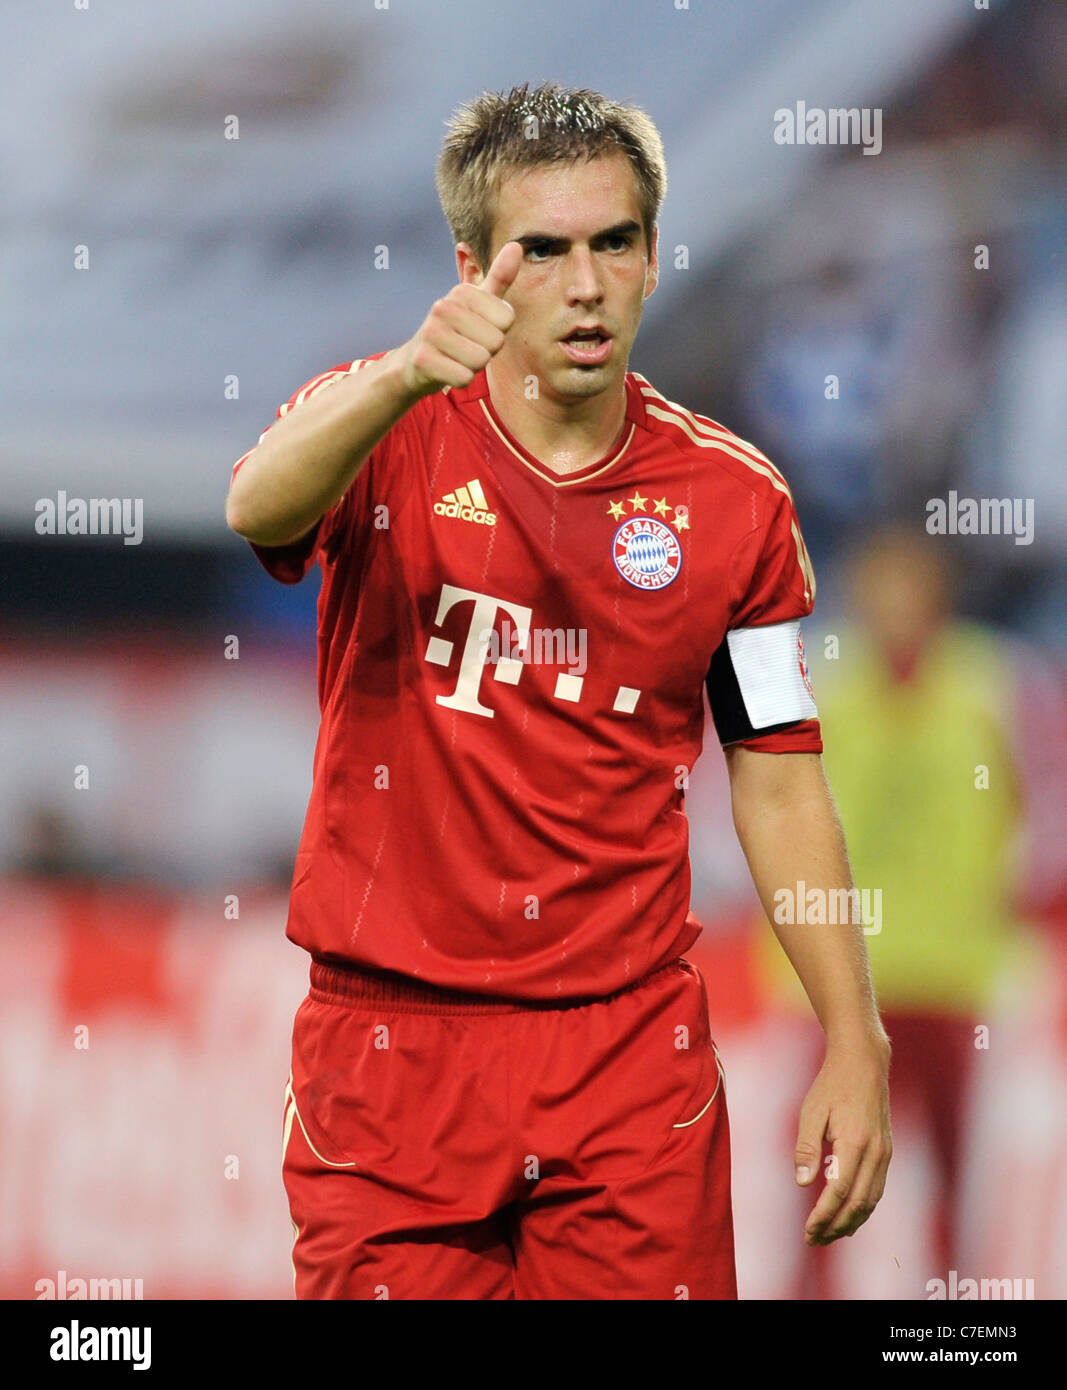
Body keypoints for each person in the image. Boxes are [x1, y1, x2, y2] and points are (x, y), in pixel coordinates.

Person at [225, 81, 891, 1301]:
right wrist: (395, 381)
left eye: (612, 243)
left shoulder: (735, 507)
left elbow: (782, 784)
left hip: (624, 1058)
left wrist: (854, 1034)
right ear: (476, 266)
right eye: (543, 249)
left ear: (650, 262)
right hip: (391, 1049)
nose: (582, 284)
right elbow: (256, 504)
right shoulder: (384, 429)